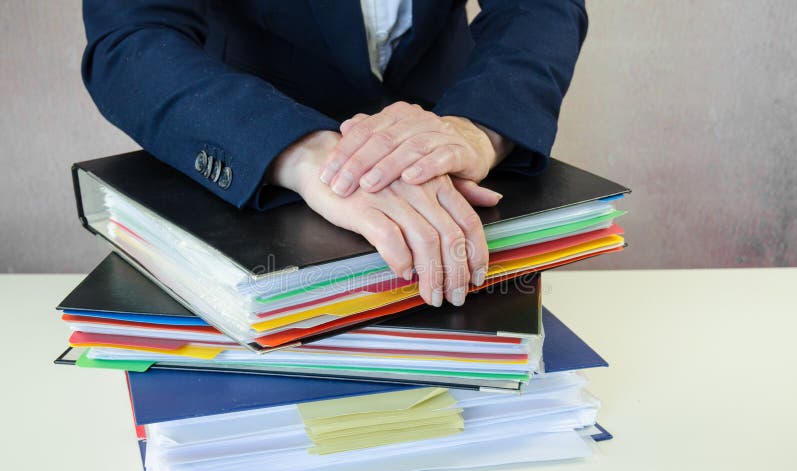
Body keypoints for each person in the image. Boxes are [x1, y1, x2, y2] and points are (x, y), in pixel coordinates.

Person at [81, 0, 588, 307]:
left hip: (445, 163)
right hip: (253, 161)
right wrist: (306, 153)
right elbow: (131, 40)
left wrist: (477, 128)